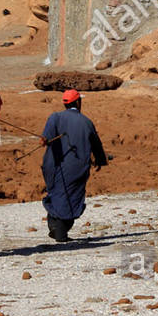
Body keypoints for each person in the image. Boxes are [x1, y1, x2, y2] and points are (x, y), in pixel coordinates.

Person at [40, 89, 108, 242]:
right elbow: (96, 145)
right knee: (72, 198)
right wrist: (100, 160)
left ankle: (55, 227)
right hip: (75, 167)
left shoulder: (54, 117)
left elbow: (46, 137)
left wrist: (44, 140)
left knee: (56, 193)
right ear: (78, 102)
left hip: (51, 166)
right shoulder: (86, 122)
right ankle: (60, 233)